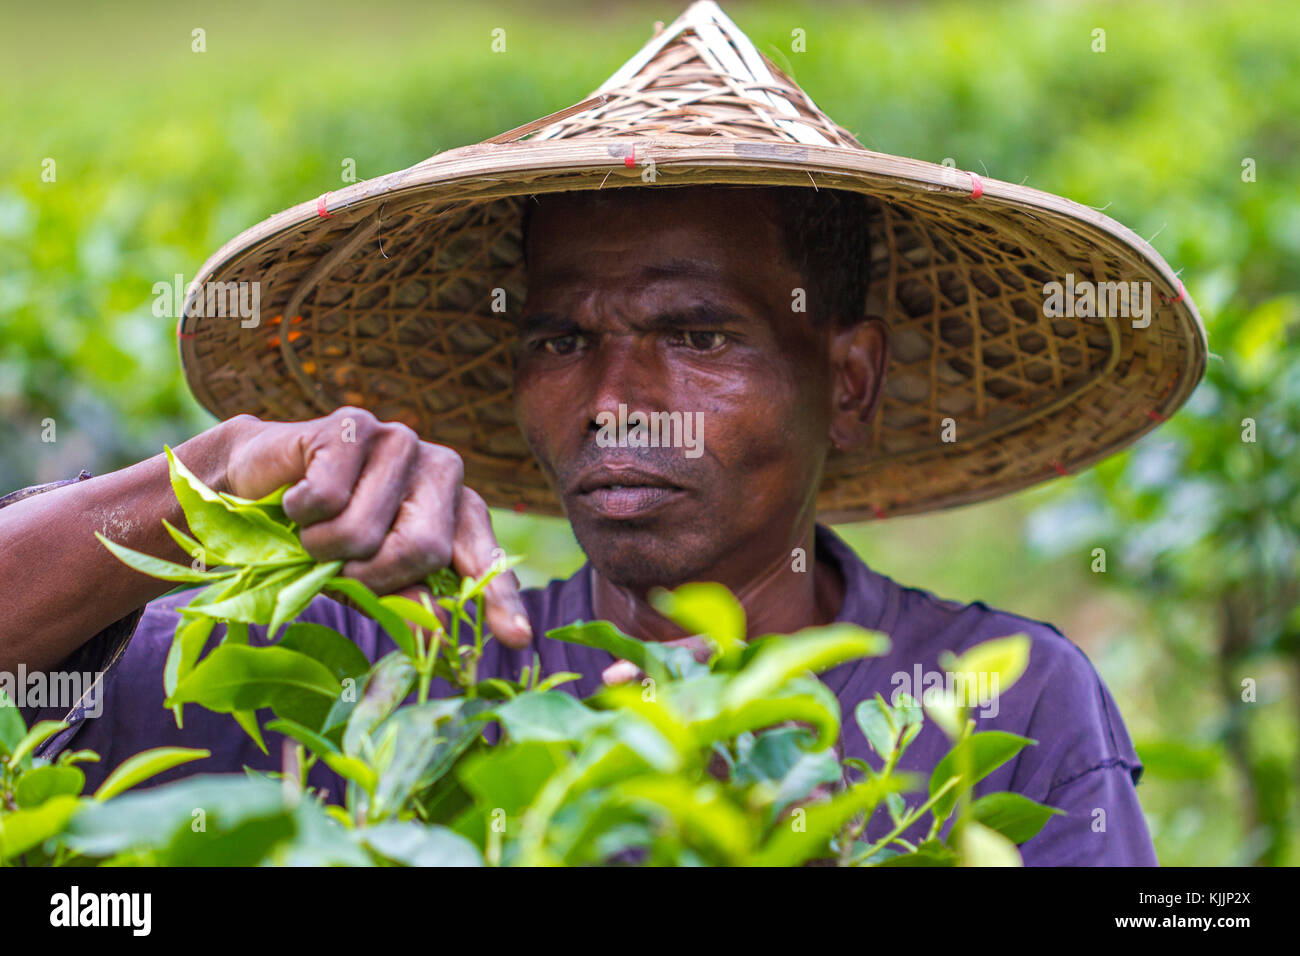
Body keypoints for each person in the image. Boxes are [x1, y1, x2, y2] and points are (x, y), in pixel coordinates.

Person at [0, 1, 1207, 865]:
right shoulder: (388, 669)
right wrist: (201, 481)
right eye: (560, 339)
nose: (612, 395)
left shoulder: (997, 707)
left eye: (698, 332)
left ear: (846, 378)